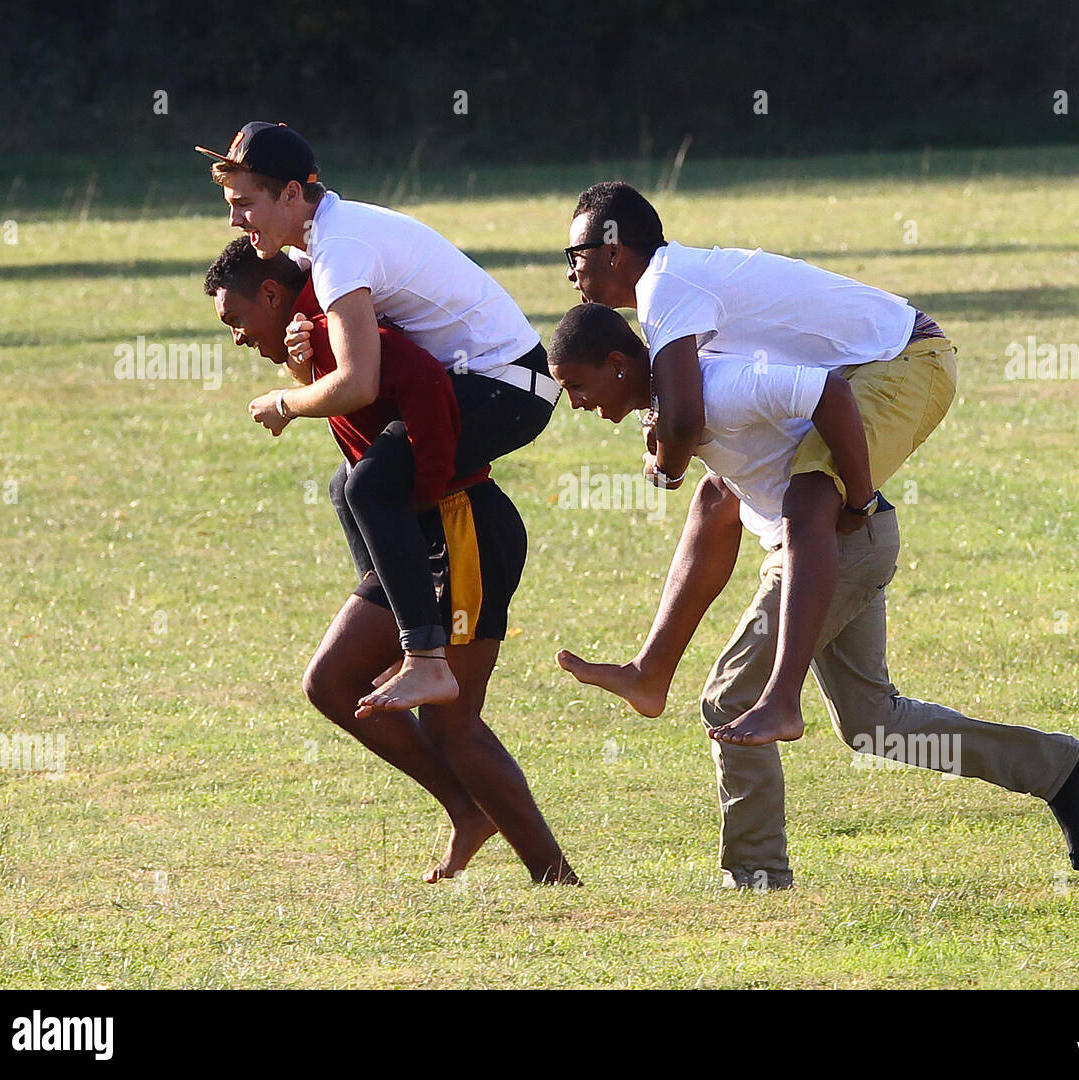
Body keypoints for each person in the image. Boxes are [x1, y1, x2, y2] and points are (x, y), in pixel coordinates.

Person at [546, 303, 1079, 887]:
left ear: (619, 363)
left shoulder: (720, 384)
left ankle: (757, 876)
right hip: (843, 545)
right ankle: (1052, 766)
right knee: (871, 723)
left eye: (577, 386)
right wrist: (652, 663)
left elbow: (828, 392)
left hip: (833, 545)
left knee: (732, 700)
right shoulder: (677, 403)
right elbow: (717, 498)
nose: (575, 403)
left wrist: (855, 500)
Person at [204, 238, 579, 885]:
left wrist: (426, 486)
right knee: (335, 683)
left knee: (450, 720)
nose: (237, 337)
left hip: (463, 526)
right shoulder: (317, 332)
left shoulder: (337, 320)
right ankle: (467, 808)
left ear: (270, 294)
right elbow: (374, 431)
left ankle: (556, 880)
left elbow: (425, 388)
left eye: (235, 319)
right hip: (427, 537)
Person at [565, 181, 956, 748]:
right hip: (865, 369)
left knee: (809, 498)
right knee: (717, 495)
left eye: (574, 258)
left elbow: (682, 422)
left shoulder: (663, 286)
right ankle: (651, 671)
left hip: (904, 358)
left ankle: (779, 702)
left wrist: (860, 497)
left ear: (613, 250)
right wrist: (666, 442)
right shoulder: (672, 285)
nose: (571, 275)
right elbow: (678, 408)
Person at [197, 122, 560, 714]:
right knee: (349, 484)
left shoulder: (338, 249)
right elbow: (348, 366)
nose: (235, 221)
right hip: (479, 380)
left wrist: (284, 404)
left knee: (371, 483)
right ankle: (397, 621)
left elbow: (358, 383)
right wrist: (299, 366)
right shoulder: (315, 242)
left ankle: (423, 659)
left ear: (291, 194)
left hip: (509, 387)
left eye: (244, 204)